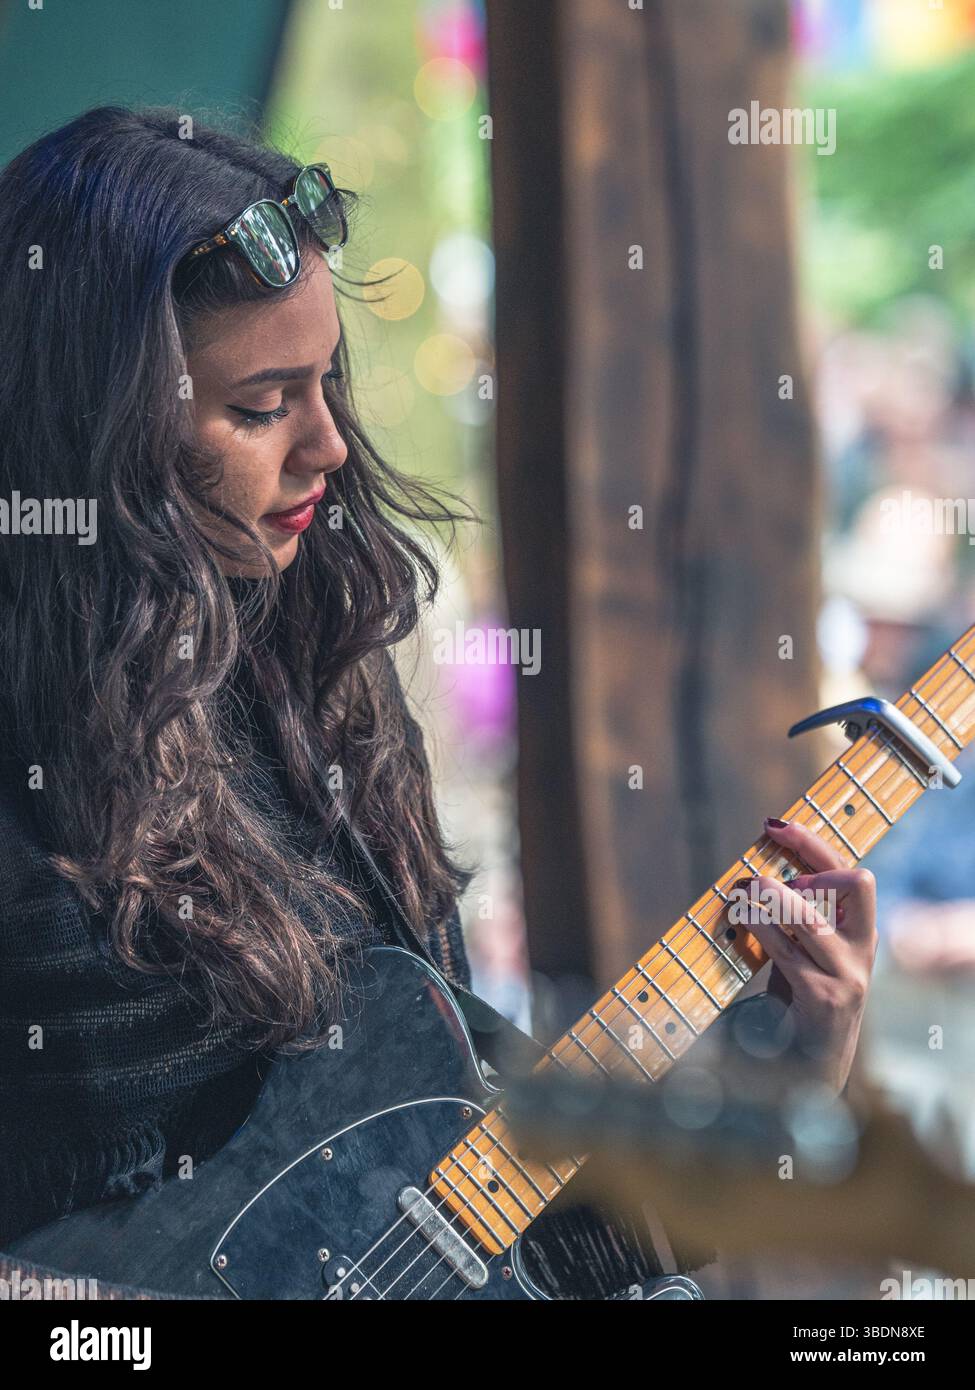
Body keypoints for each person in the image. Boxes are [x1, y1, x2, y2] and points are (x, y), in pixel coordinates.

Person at [0, 106, 878, 1298]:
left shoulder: (320, 676)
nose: (329, 447)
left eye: (325, 385)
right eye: (260, 405)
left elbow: (457, 1216)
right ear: (88, 432)